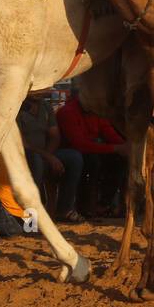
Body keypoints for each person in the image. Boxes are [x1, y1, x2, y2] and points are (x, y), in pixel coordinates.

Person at [56, 86, 129, 216]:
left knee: (119, 159)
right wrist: (116, 148)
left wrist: (126, 147)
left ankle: (104, 203)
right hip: (72, 151)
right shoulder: (67, 112)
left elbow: (108, 133)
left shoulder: (95, 111)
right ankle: (84, 205)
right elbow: (80, 144)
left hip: (91, 149)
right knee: (91, 161)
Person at [17, 92, 84, 222]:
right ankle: (32, 216)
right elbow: (22, 144)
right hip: (24, 156)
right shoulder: (16, 108)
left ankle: (64, 209)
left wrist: (48, 156)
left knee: (74, 157)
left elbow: (54, 135)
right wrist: (48, 157)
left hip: (45, 154)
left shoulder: (46, 106)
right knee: (36, 161)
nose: (39, 91)